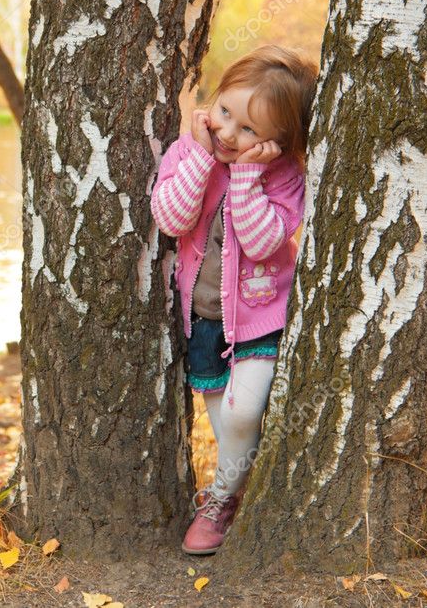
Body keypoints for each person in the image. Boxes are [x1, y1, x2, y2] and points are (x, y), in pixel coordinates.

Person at [149, 44, 318, 554]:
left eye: (250, 131)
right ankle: (235, 496)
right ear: (216, 97)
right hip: (203, 321)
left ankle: (219, 499)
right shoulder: (189, 151)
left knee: (245, 414)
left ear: (278, 142)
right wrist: (202, 157)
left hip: (260, 318)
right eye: (225, 112)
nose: (229, 133)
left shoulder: (284, 175)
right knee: (224, 419)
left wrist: (246, 176)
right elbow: (172, 219)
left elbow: (265, 240)